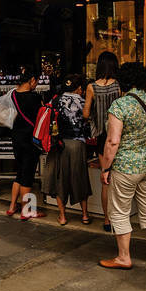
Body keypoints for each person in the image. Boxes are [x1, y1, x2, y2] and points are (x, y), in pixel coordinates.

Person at [96, 61, 146, 268]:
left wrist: (105, 168)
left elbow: (112, 141)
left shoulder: (120, 106)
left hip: (126, 167)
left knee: (119, 211)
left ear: (122, 82)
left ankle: (123, 257)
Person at [40, 72, 95, 226]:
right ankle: (84, 215)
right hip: (78, 145)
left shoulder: (55, 100)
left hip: (58, 144)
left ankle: (63, 216)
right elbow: (89, 123)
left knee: (59, 179)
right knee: (80, 178)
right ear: (78, 88)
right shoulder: (84, 101)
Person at [0, 71, 42, 220]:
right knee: (28, 175)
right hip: (31, 140)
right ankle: (27, 210)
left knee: (20, 172)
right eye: (36, 81)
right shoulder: (35, 97)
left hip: (16, 138)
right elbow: (40, 118)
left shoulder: (12, 95)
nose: (36, 84)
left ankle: (12, 207)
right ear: (32, 79)